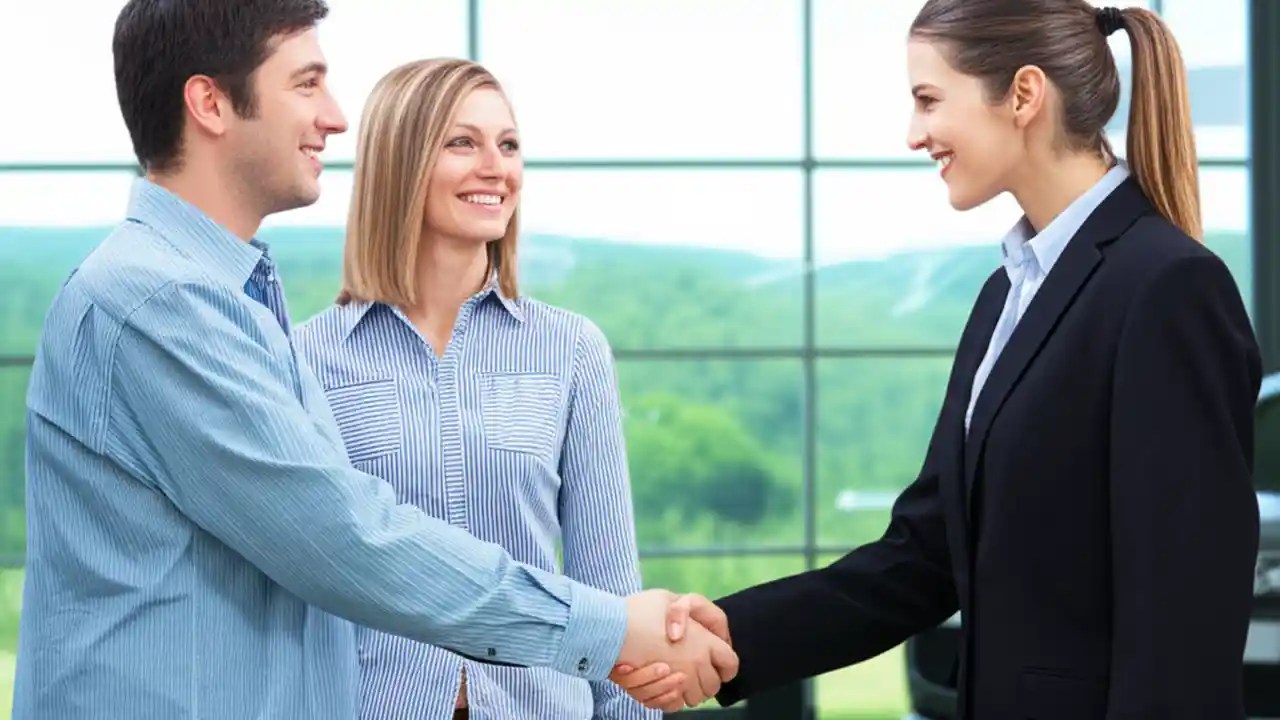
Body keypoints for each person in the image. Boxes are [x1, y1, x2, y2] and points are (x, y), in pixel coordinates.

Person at [12, 2, 735, 718]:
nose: (333, 117)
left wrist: (625, 650)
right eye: (305, 84)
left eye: (509, 145)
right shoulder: (162, 306)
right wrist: (605, 629)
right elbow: (343, 540)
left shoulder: (236, 305)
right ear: (209, 103)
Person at [614, 2, 1262, 718]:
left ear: (1022, 95)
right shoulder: (1006, 297)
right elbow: (923, 558)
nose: (914, 133)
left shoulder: (1167, 289)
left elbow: (1182, 628)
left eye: (928, 100)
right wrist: (732, 635)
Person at [292, 57, 663, 720]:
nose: (496, 167)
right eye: (463, 142)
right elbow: (301, 594)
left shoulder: (570, 350)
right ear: (400, 164)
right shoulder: (309, 358)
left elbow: (608, 588)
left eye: (509, 144)